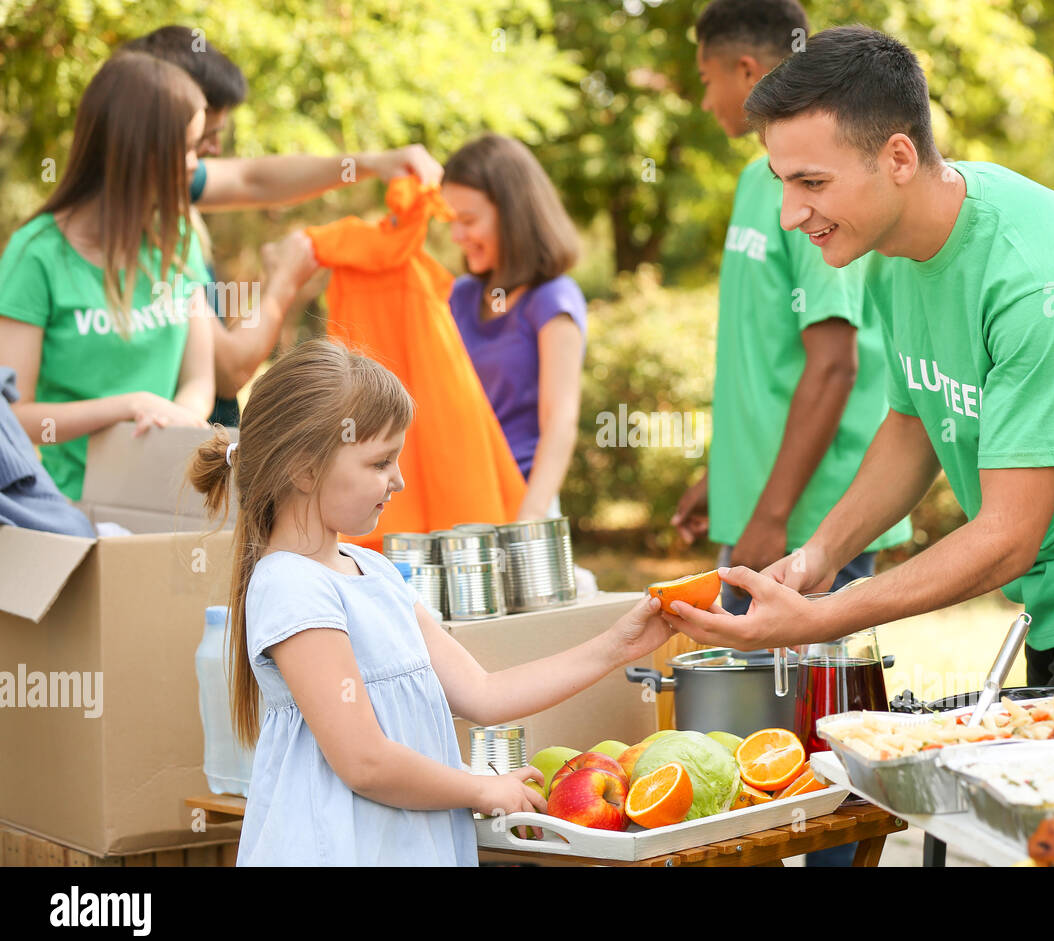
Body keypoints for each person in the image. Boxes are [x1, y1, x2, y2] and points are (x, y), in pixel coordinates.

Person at [666, 27, 1054, 689]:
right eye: (784, 183)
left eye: (812, 182)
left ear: (898, 158)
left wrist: (827, 615)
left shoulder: (1039, 280)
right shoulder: (890, 253)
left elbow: (1007, 534)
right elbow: (912, 427)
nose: (791, 214)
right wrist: (816, 558)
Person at [187, 339, 673, 866]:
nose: (397, 480)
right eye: (379, 462)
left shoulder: (371, 571)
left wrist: (620, 645)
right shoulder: (291, 587)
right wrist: (479, 790)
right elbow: (364, 762)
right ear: (304, 470)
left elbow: (483, 693)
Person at [673, 0, 911, 614]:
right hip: (761, 505)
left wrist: (772, 514)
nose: (705, 101)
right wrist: (724, 479)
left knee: (805, 707)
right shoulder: (762, 184)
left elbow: (834, 363)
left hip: (814, 521)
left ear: (746, 70)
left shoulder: (818, 191)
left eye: (707, 80)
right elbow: (765, 359)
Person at [120, 25, 443, 424]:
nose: (212, 153)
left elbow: (254, 178)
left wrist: (371, 164)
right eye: (203, 137)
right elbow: (228, 371)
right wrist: (284, 279)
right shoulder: (145, 230)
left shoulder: (167, 188)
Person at [0, 54, 219, 501]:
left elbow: (200, 379)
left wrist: (175, 425)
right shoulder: (35, 256)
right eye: (188, 147)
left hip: (169, 502)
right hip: (73, 512)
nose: (197, 164)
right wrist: (129, 406)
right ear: (140, 153)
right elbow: (12, 419)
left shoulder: (178, 239)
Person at [441, 134, 586, 522]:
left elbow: (559, 422)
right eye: (452, 221)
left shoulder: (552, 300)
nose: (457, 236)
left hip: (524, 502)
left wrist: (530, 519)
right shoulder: (460, 296)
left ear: (512, 214)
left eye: (468, 220)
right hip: (464, 501)